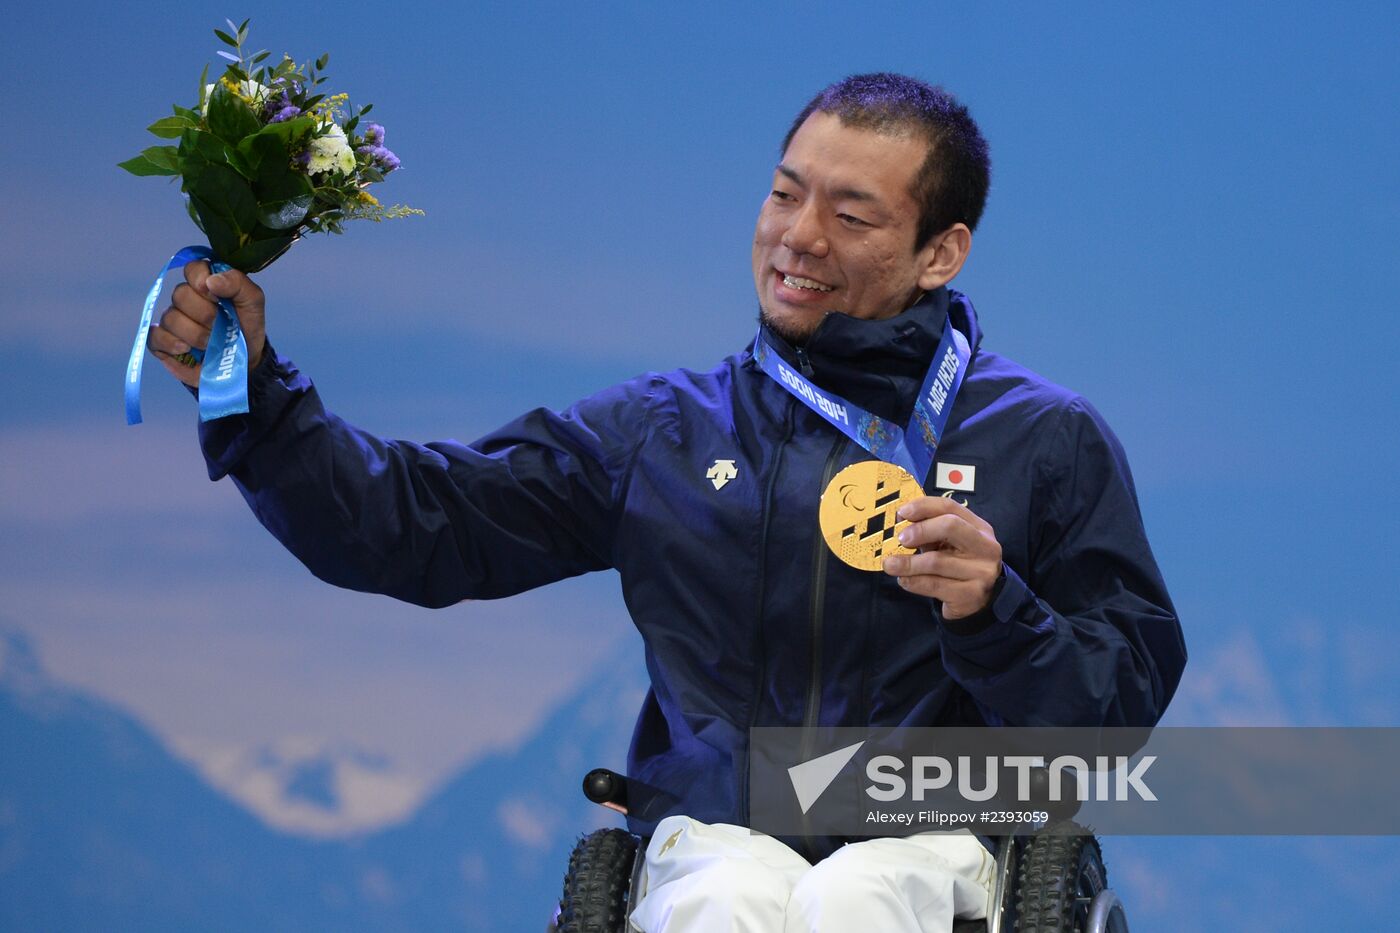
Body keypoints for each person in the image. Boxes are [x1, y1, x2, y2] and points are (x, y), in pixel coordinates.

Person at [149, 73, 1186, 932]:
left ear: (939, 253)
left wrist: (997, 611)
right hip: (719, 840)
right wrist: (254, 398)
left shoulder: (1041, 440)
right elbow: (414, 524)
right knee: (725, 897)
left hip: (934, 845)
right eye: (784, 195)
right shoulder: (666, 432)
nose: (799, 236)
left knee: (856, 901)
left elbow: (1118, 711)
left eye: (850, 215)